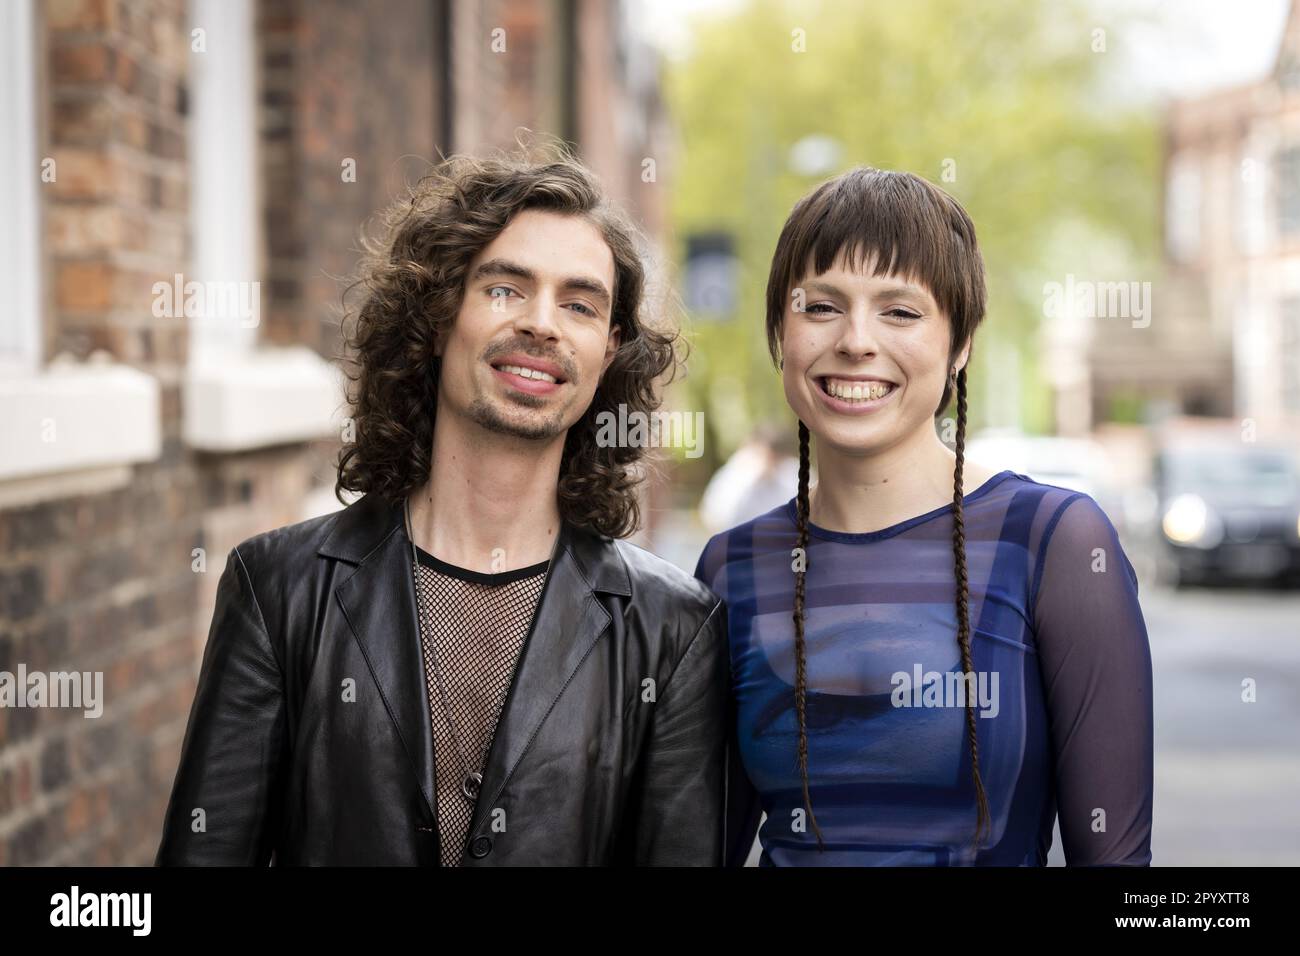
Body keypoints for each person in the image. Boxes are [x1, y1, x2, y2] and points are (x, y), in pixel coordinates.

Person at [157, 148, 727, 866]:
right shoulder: (278, 590)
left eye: (579, 305)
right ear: (437, 315)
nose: (543, 324)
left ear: (608, 350)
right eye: (505, 289)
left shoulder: (673, 629)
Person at [695, 167, 1153, 866]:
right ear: (777, 334)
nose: (855, 340)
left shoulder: (1053, 543)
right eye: (820, 306)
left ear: (960, 345)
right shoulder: (733, 569)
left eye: (900, 312)